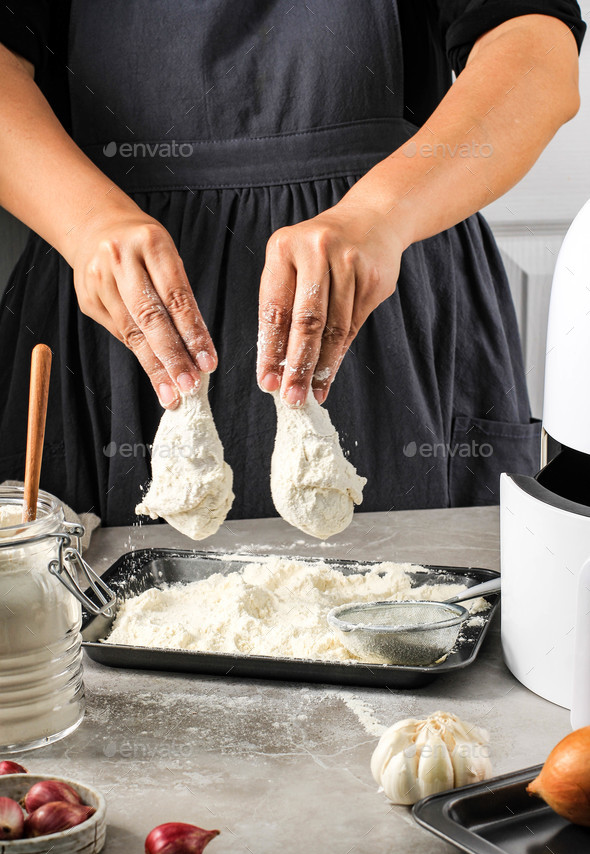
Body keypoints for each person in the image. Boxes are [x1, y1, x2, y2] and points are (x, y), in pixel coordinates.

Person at [0, 1, 585, 525]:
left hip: (383, 294)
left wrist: (380, 214)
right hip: (110, 308)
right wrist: (87, 222)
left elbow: (533, 47)